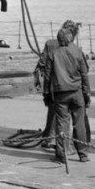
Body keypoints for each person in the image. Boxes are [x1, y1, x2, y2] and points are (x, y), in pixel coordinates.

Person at [43, 26, 91, 163]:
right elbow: (84, 75)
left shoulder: (53, 53)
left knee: (62, 124)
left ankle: (61, 154)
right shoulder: (78, 52)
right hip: (77, 93)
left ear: (58, 39)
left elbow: (47, 76)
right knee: (79, 123)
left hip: (60, 94)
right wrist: (87, 93)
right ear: (70, 39)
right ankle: (83, 154)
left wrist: (46, 94)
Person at [34, 19, 83, 147]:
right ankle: (67, 146)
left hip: (52, 86)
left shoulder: (50, 43)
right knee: (68, 119)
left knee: (53, 113)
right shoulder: (75, 49)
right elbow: (82, 70)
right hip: (70, 87)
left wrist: (44, 88)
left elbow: (42, 64)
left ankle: (49, 138)